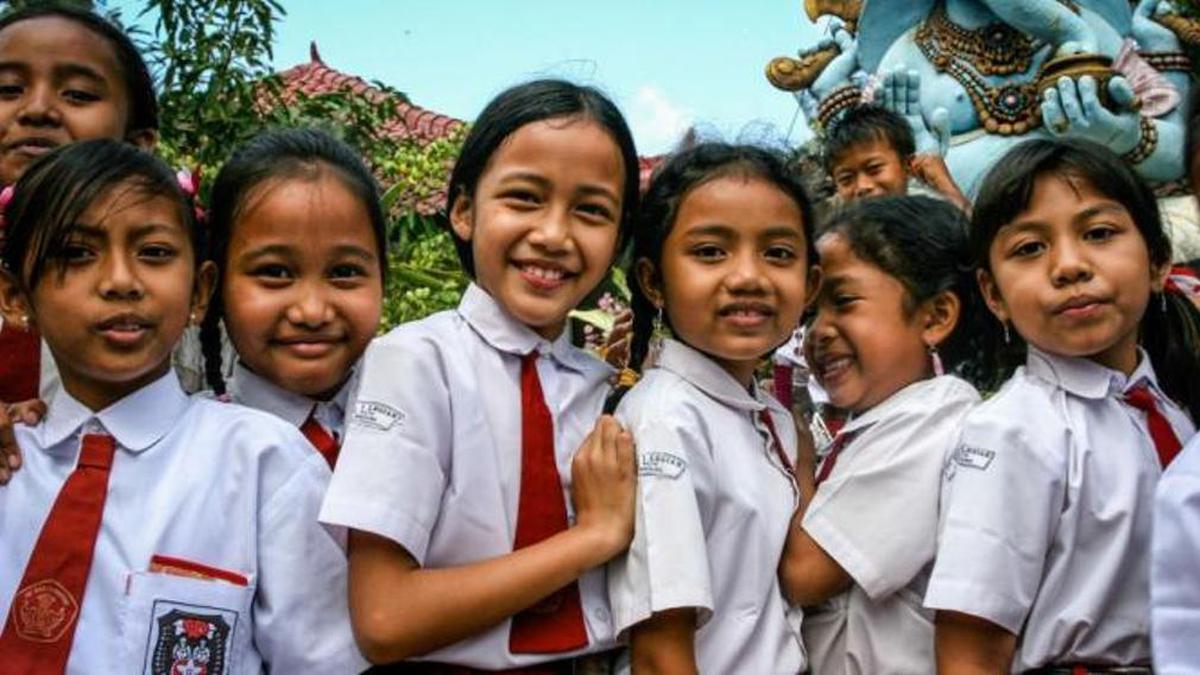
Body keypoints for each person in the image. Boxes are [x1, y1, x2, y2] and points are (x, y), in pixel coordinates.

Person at [0, 139, 366, 673]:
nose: (121, 281)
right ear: (14, 298)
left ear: (199, 291)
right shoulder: (11, 462)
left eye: (154, 253)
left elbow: (322, 662)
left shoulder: (263, 462)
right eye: (76, 253)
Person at [318, 79, 640, 671]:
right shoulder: (415, 364)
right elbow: (385, 620)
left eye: (591, 211)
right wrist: (592, 537)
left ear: (618, 240)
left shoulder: (609, 395)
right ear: (464, 211)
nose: (553, 234)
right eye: (523, 198)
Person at [926, 138, 1200, 673]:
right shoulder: (1011, 431)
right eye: (1029, 248)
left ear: (1158, 261)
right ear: (993, 294)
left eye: (1099, 234)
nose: (1069, 266)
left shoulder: (1173, 415)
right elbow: (970, 647)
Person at [607, 142, 820, 674]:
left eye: (778, 253)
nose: (748, 276)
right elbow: (660, 650)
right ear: (654, 281)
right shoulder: (666, 421)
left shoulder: (771, 418)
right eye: (710, 252)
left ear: (810, 284)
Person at [779, 195, 983, 674]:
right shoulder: (878, 423)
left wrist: (797, 460)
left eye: (844, 302)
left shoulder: (934, 417)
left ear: (934, 318)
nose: (819, 332)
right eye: (811, 314)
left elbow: (806, 574)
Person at [0, 4, 158, 407]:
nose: (36, 109)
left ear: (138, 144)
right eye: (6, 90)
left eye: (78, 95)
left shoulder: (164, 276)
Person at [198, 128, 386, 465]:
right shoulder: (189, 452)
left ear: (385, 279)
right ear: (214, 285)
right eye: (275, 273)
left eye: (344, 273)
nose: (312, 312)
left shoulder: (424, 429)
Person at [824, 104, 969, 212]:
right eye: (846, 179)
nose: (862, 187)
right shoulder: (841, 245)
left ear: (907, 166)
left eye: (874, 169)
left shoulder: (931, 217)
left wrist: (945, 184)